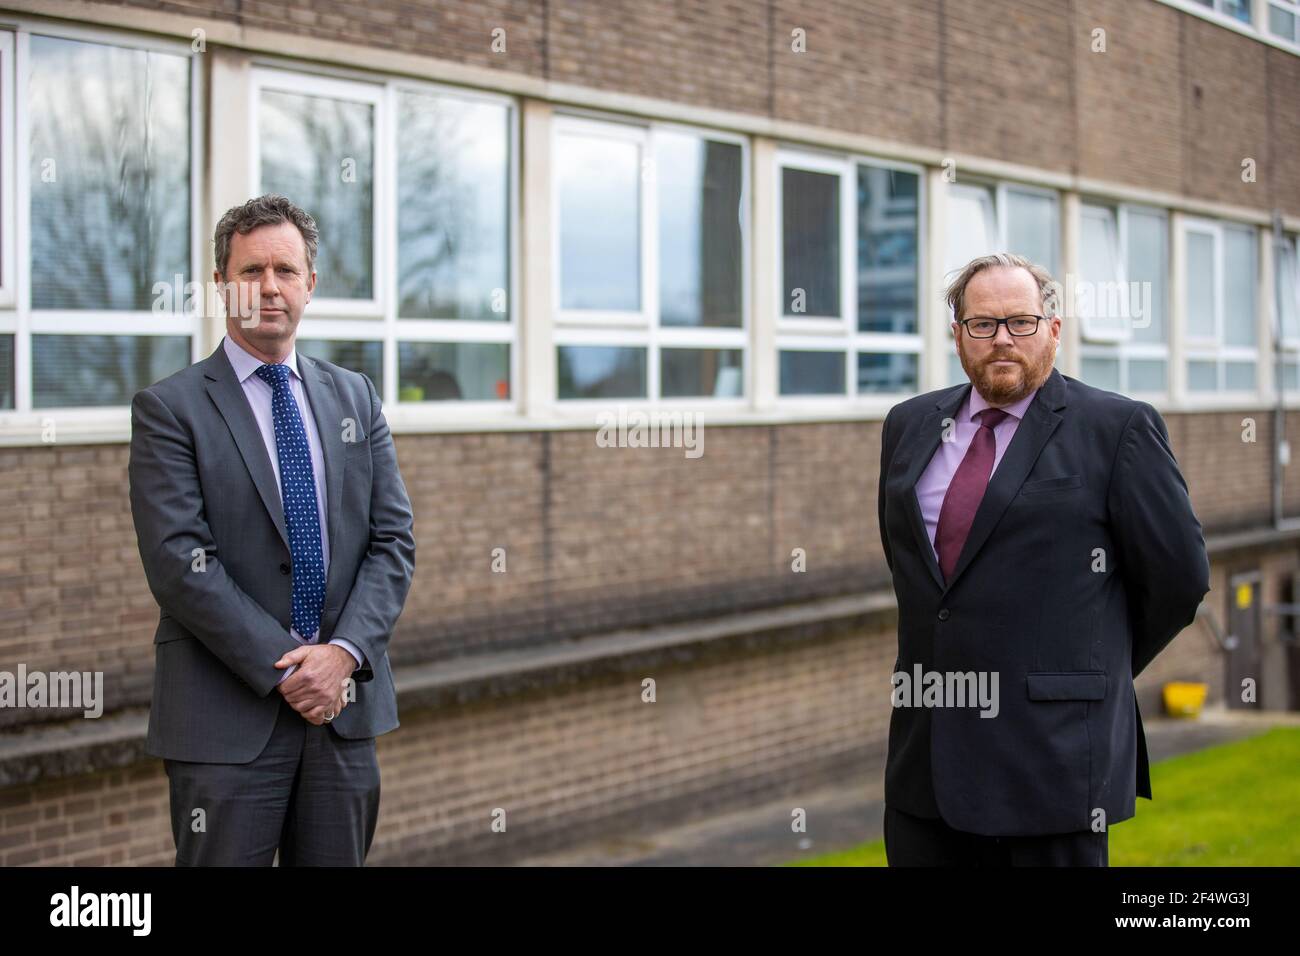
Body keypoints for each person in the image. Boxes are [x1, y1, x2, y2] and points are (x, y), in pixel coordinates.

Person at [876, 253, 1210, 866]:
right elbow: (920, 582)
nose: (1002, 339)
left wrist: (1089, 667)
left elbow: (1180, 580)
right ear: (957, 335)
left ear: (1052, 330)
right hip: (924, 769)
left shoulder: (1117, 429)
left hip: (1052, 767)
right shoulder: (909, 425)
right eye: (982, 324)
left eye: (1021, 322)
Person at [128, 194, 416, 865]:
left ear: (310, 285)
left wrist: (342, 654)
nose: (268, 287)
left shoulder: (356, 398)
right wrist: (288, 669)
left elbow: (392, 542)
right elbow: (177, 561)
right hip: (226, 726)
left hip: (342, 717)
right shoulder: (170, 410)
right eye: (251, 270)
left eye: (285, 271)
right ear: (221, 285)